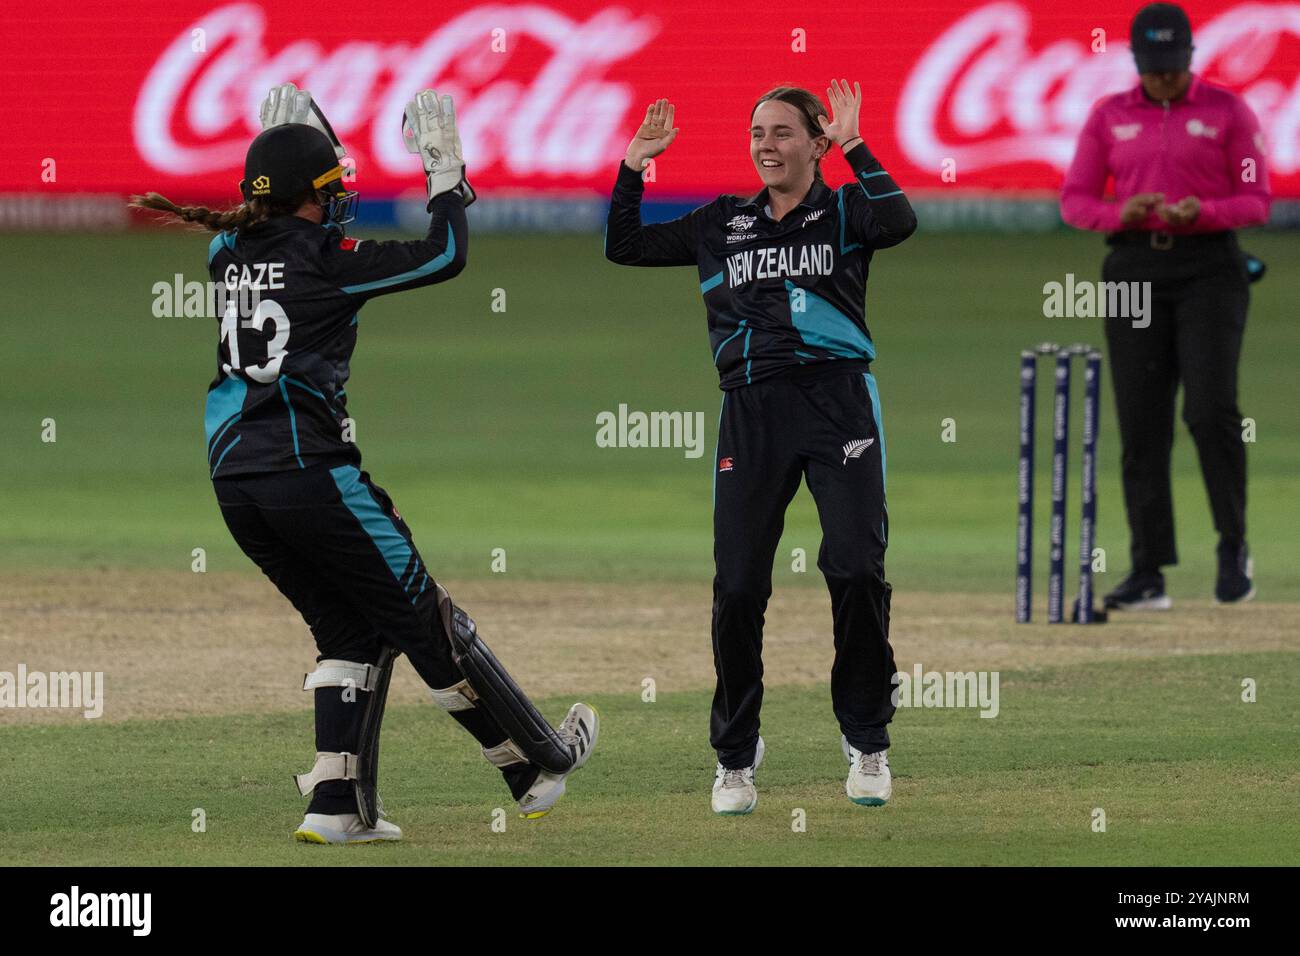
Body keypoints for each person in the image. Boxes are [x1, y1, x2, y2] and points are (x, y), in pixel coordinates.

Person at [131, 85, 597, 844]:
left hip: (236, 484)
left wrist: (289, 147)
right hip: (312, 474)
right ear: (308, 201)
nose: (342, 197)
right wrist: (444, 173)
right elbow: (444, 254)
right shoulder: (327, 261)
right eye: (332, 188)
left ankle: (338, 806)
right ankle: (538, 763)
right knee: (427, 619)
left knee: (347, 627)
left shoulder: (224, 252)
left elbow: (265, 212)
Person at [605, 81, 917, 813]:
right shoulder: (723, 223)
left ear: (815, 143)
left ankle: (867, 739)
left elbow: (898, 221)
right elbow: (624, 246)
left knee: (856, 568)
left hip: (838, 401)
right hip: (751, 409)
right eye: (757, 134)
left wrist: (858, 145)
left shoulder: (842, 211)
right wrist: (633, 166)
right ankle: (736, 757)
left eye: (782, 133)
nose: (766, 145)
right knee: (740, 584)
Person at [1061, 3, 1270, 610]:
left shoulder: (1228, 111)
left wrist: (1201, 212)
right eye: (1153, 69)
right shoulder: (1110, 115)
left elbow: (1255, 199)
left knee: (1210, 410)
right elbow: (1075, 199)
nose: (1163, 80)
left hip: (1210, 269)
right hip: (1134, 267)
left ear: (1189, 59)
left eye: (1173, 68)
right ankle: (1148, 570)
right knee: (1141, 421)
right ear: (1136, 63)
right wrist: (1115, 214)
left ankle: (1233, 547)